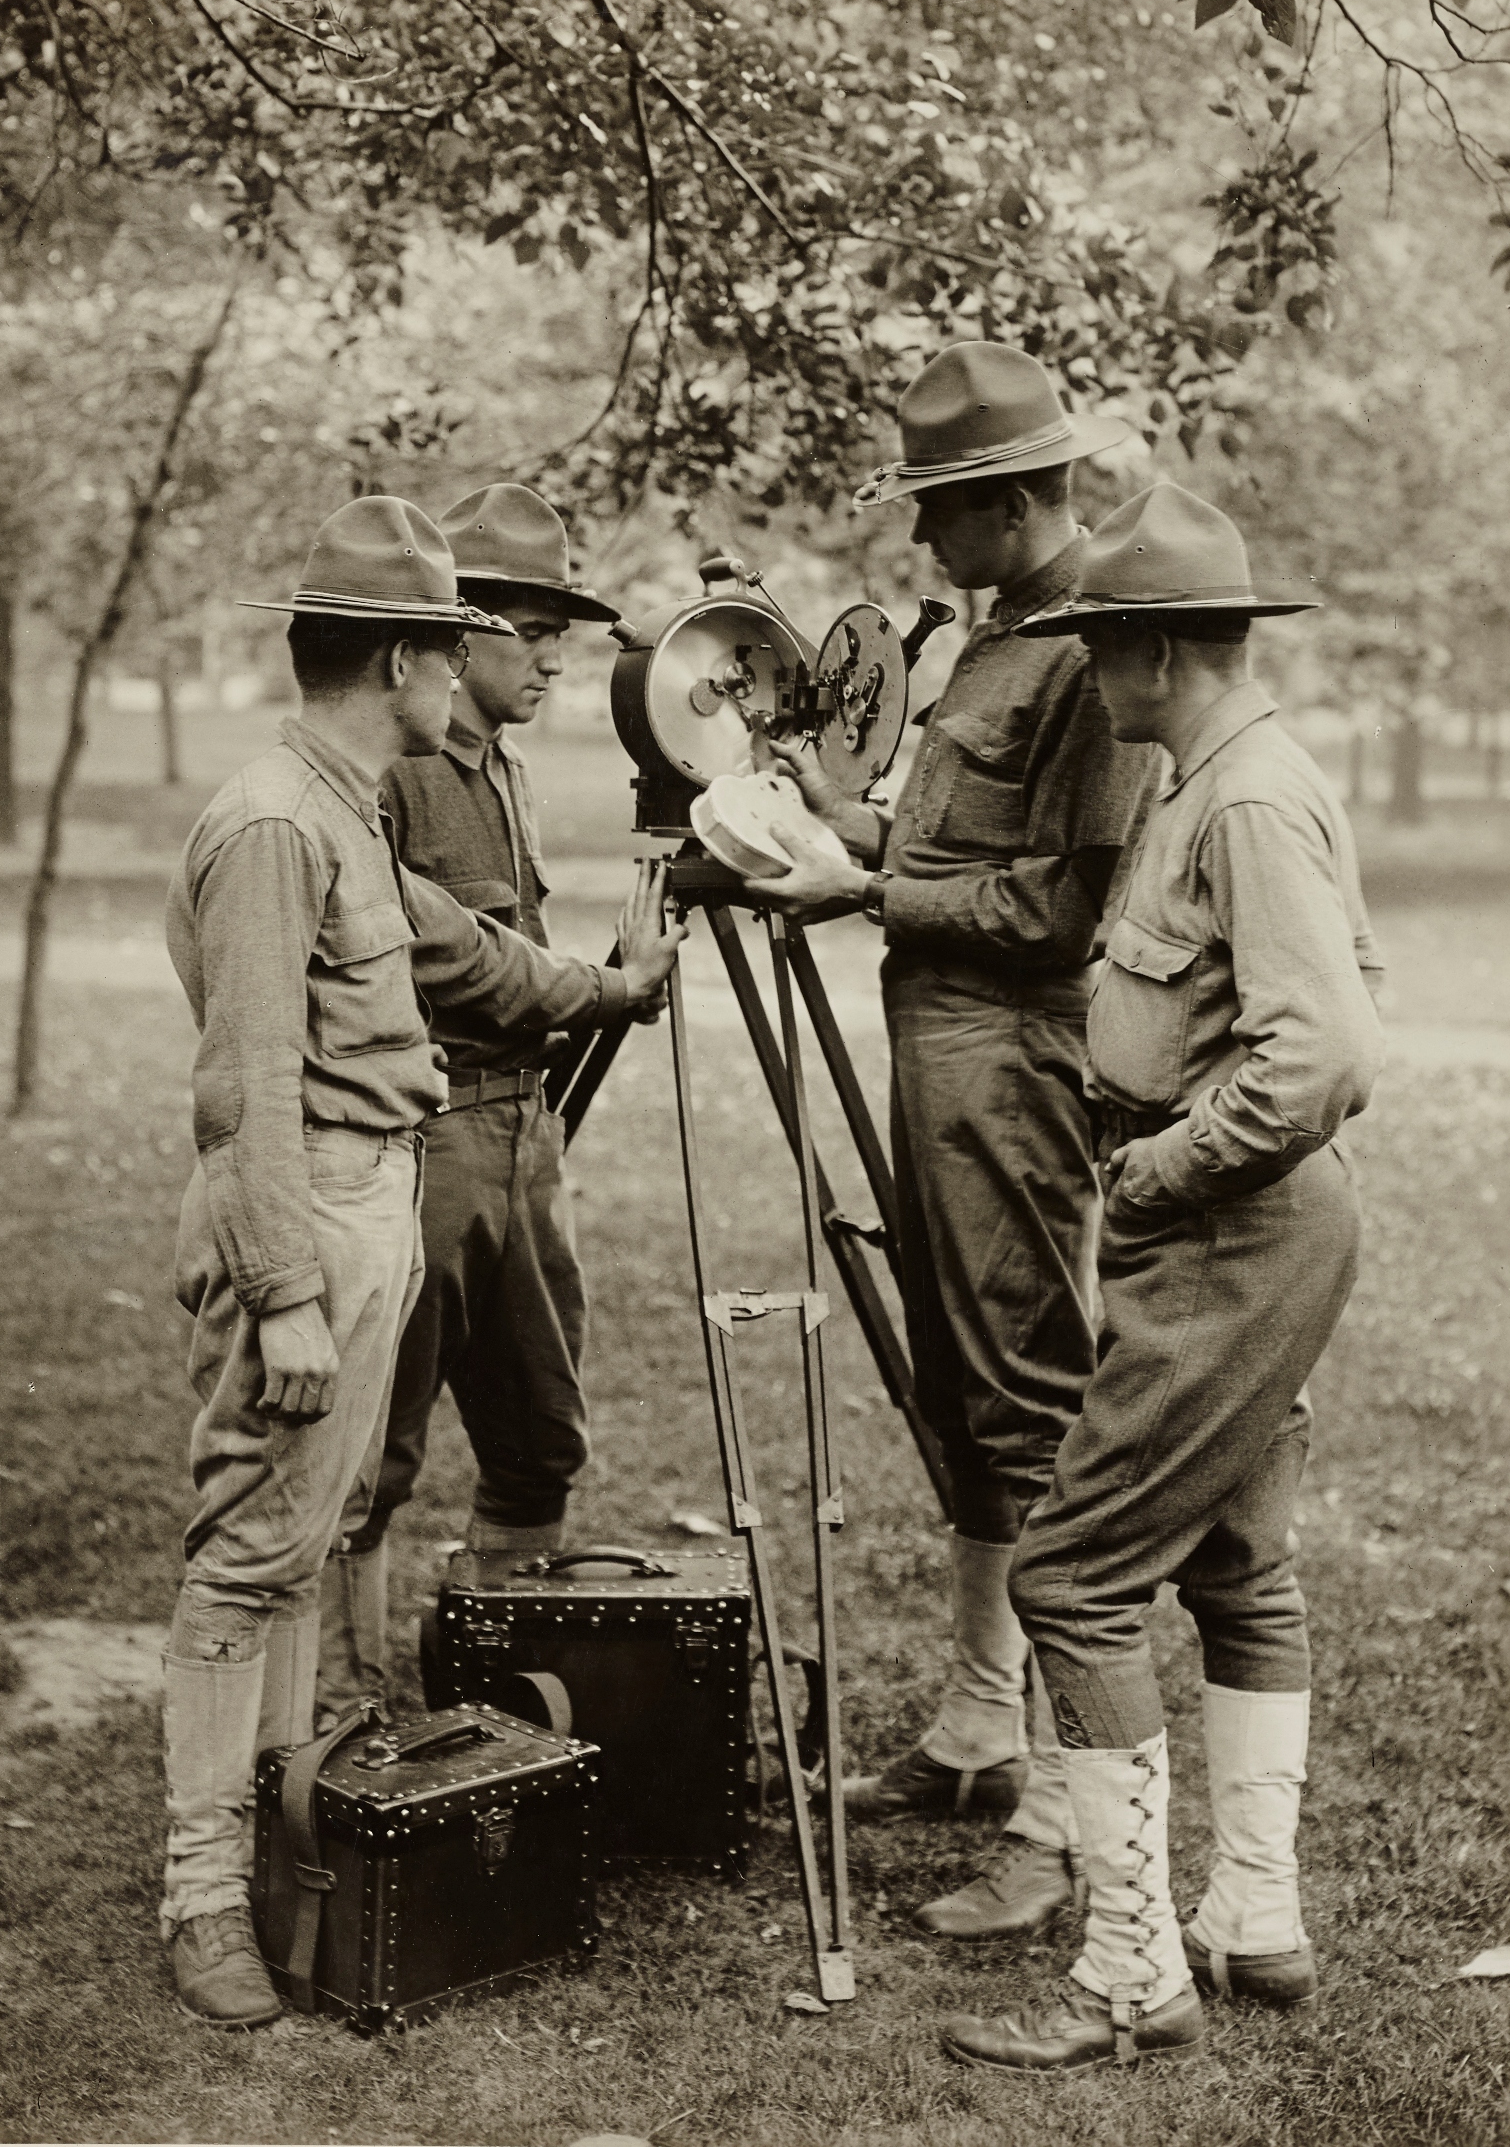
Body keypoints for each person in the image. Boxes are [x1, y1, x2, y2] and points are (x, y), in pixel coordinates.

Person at [160, 495, 683, 2028]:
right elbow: (243, 1077)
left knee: (295, 1548)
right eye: (452, 648)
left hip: (378, 1186)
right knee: (247, 1553)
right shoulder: (273, 819)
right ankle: (200, 1891)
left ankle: (274, 1828)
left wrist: (595, 985)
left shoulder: (339, 802)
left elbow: (455, 956)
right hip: (307, 1203)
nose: (468, 674)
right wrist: (283, 1290)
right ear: (398, 659)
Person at [937, 482, 1384, 2073]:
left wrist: (1163, 1165)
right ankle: (1251, 1913)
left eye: (1097, 651)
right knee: (1237, 1565)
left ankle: (1127, 1970)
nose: (1089, 681)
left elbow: (1324, 1049)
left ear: (1144, 652)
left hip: (1228, 1224)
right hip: (1250, 1219)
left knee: (1071, 1575)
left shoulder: (1241, 797)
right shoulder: (1225, 779)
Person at [750, 342, 1155, 1942]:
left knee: (1032, 1408)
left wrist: (864, 890)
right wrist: (811, 824)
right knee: (962, 1398)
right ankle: (984, 1725)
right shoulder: (986, 640)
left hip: (1010, 1057)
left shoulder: (1089, 656)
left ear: (1002, 503)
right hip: (936, 1046)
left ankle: (1058, 1822)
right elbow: (936, 838)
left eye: (936, 512)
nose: (919, 542)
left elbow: (1059, 913)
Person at [316, 483, 636, 1720]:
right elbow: (423, 949)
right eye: (525, 624)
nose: (552, 653)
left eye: (558, 626)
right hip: (428, 1131)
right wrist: (589, 989)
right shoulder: (391, 774)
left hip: (523, 1134)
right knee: (373, 1451)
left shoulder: (503, 771)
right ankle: (346, 1704)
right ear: (450, 636)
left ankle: (511, 1697)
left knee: (540, 1430)